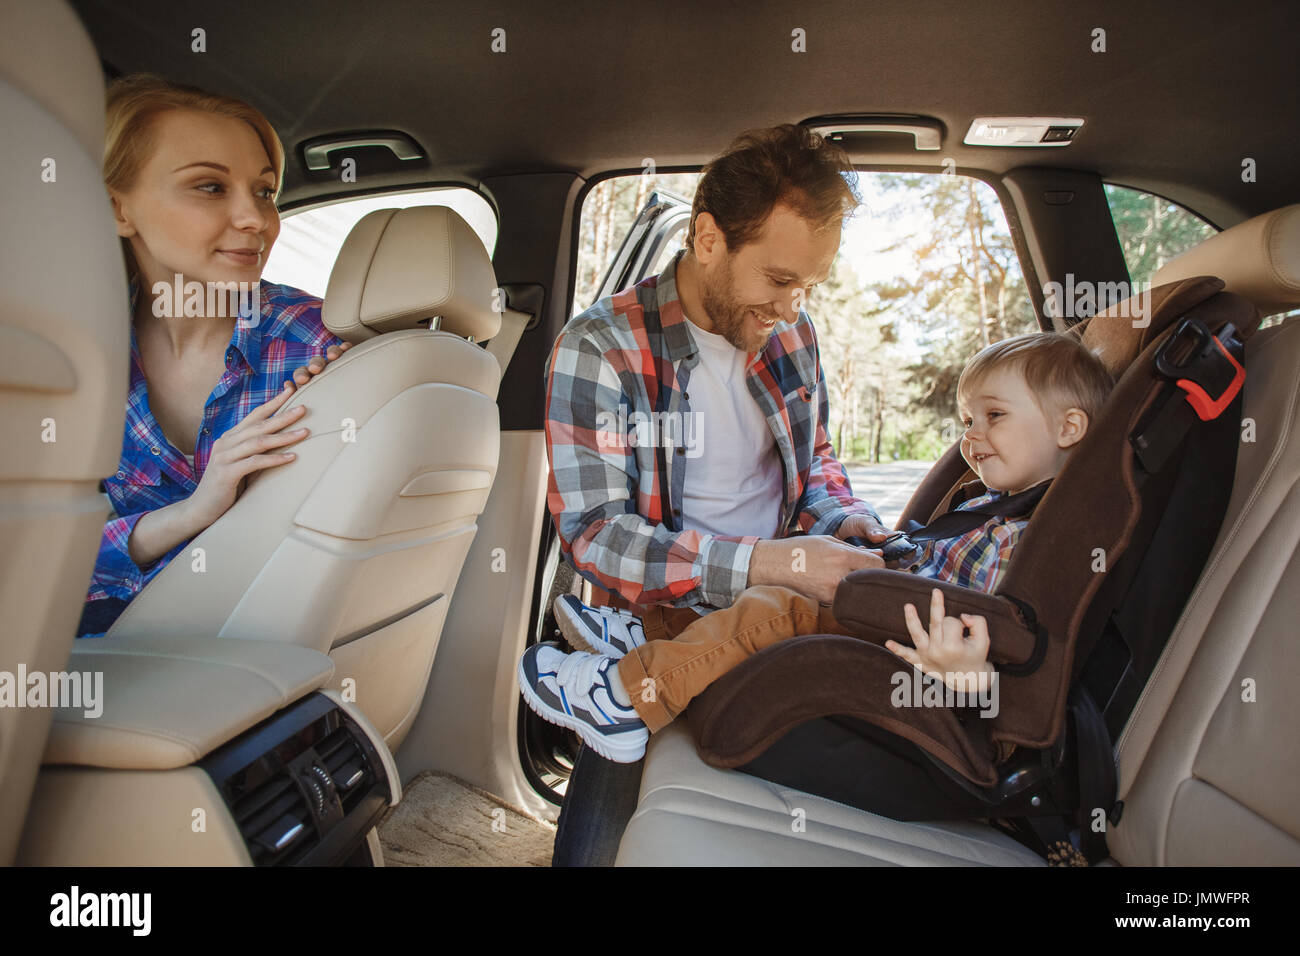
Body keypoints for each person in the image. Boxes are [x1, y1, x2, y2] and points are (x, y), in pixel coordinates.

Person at [537, 125, 895, 864]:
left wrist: (842, 519)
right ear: (708, 239)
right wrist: (771, 565)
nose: (794, 308)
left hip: (775, 615)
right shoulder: (599, 346)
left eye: (809, 287)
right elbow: (598, 535)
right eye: (778, 279)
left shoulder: (795, 338)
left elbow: (815, 459)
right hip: (648, 623)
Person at [520, 331, 1115, 762]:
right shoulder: (990, 507)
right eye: (966, 418)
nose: (970, 435)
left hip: (907, 653)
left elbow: (1013, 651)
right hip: (890, 613)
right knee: (786, 573)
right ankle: (661, 634)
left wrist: (974, 675)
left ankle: (629, 698)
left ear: (1068, 428)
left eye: (994, 415)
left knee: (782, 606)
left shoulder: (1032, 537)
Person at [77, 75, 350, 639]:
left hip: (237, 687)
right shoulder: (73, 357)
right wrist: (189, 514)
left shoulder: (323, 349)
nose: (257, 219)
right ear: (115, 208)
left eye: (265, 191)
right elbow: (34, 558)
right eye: (209, 187)